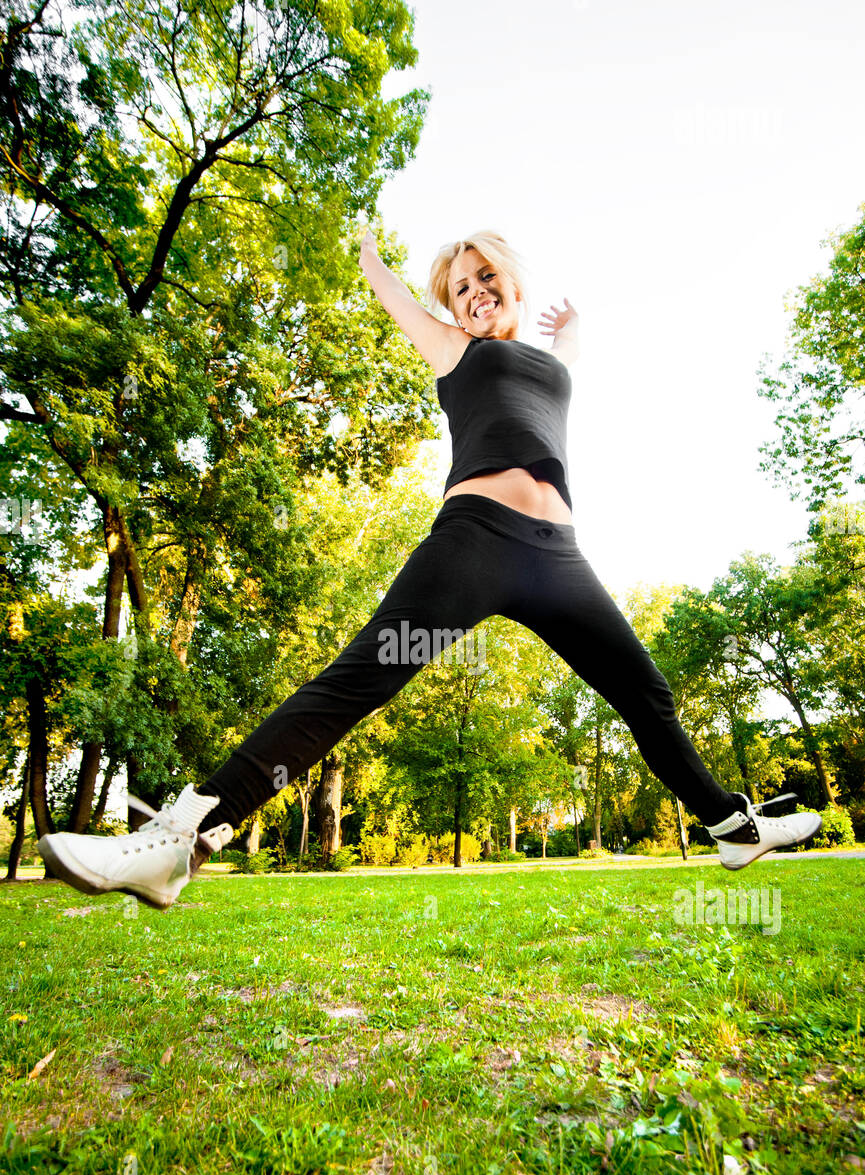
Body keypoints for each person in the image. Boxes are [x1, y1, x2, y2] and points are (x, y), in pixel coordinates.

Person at [37, 229, 822, 908]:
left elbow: (563, 359)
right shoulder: (455, 349)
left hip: (558, 560)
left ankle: (729, 826)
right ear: (447, 306)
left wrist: (574, 330)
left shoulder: (551, 364)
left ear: (513, 281)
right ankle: (180, 838)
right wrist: (372, 258)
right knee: (356, 680)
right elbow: (396, 302)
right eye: (459, 287)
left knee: (644, 692)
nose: (474, 294)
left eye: (487, 278)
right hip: (473, 543)